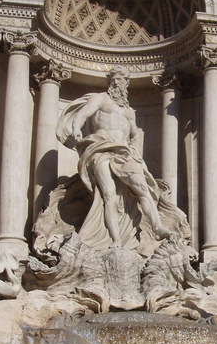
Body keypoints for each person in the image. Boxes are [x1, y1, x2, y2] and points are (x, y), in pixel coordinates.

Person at [56, 66, 188, 252]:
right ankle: (115, 238)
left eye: (123, 80)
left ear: (126, 84)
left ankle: (157, 227)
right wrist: (76, 128)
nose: (119, 83)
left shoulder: (129, 111)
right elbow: (82, 114)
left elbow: (134, 135)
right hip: (100, 149)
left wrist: (134, 150)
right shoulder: (100, 99)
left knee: (143, 188)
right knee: (108, 194)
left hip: (124, 153)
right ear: (110, 82)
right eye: (116, 80)